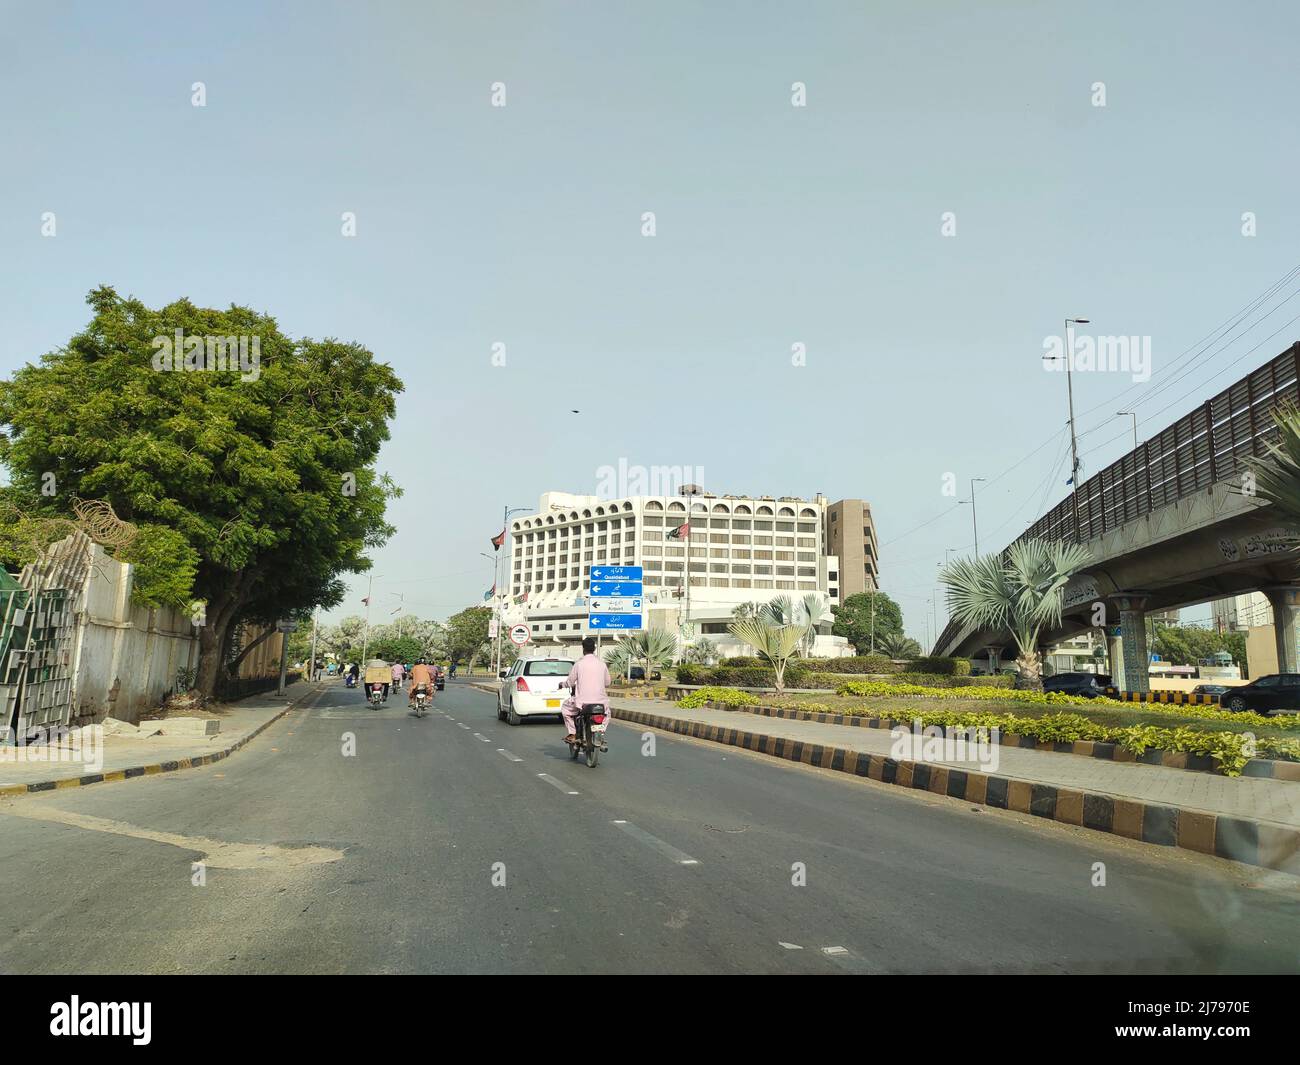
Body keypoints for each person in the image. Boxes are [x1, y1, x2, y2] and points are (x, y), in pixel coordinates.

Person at [560, 637, 611, 745]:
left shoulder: (579, 664)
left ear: (583, 649)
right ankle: (601, 732)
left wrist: (562, 685)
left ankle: (573, 733)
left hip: (582, 702)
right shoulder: (602, 664)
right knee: (607, 714)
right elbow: (607, 683)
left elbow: (570, 682)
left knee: (565, 708)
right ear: (594, 649)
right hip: (600, 702)